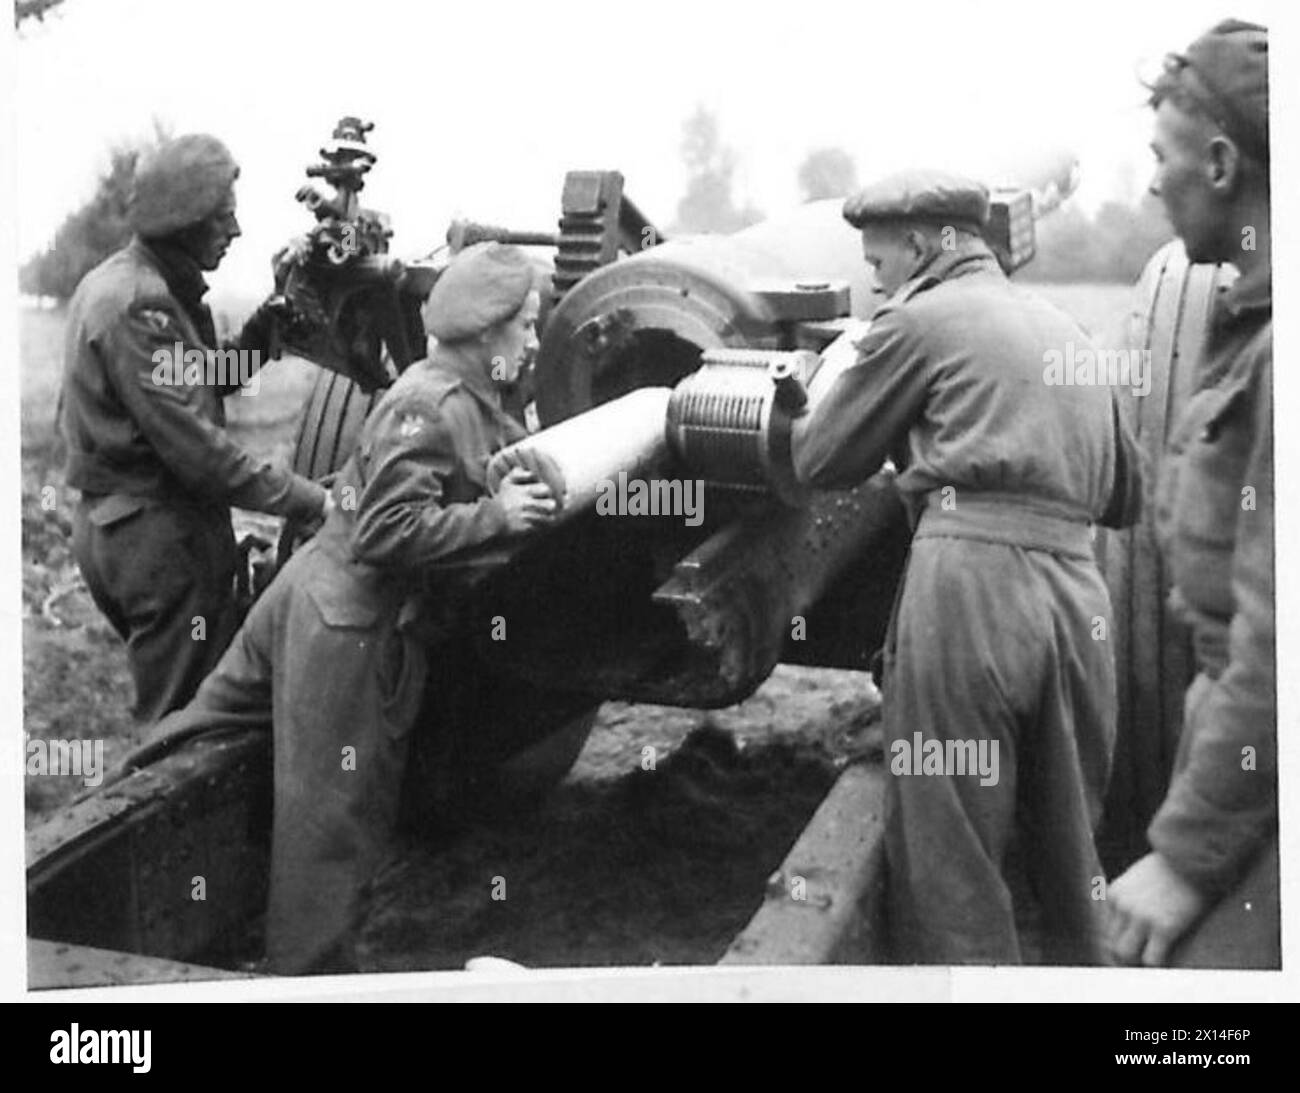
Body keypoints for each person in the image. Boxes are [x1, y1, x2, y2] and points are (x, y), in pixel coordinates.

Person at [121, 242, 559, 974]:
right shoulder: (429, 402)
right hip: (350, 624)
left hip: (314, 590)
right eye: (529, 325)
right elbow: (390, 531)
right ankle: (307, 976)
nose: (538, 339)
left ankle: (92, 844)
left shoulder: (458, 394)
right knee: (333, 827)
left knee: (195, 738)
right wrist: (499, 519)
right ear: (488, 333)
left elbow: (476, 455)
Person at [791, 169, 1142, 963]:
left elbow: (819, 459)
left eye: (877, 265)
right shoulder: (1064, 329)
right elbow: (1127, 494)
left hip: (968, 592)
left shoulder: (917, 320)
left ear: (919, 247)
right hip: (1077, 599)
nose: (875, 283)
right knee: (1069, 855)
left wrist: (829, 379)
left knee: (953, 861)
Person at [1107, 19, 1275, 968]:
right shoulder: (1248, 323)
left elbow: (1278, 640)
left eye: (1159, 158)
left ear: (1218, 163)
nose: (1151, 182)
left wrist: (1184, 855)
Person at [60, 133, 329, 722]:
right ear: (184, 222)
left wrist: (266, 325)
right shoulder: (141, 306)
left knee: (191, 700)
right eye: (223, 220)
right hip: (159, 542)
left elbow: (200, 379)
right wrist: (314, 501)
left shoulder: (128, 285)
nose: (234, 233)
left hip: (124, 529)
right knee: (182, 725)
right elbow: (202, 454)